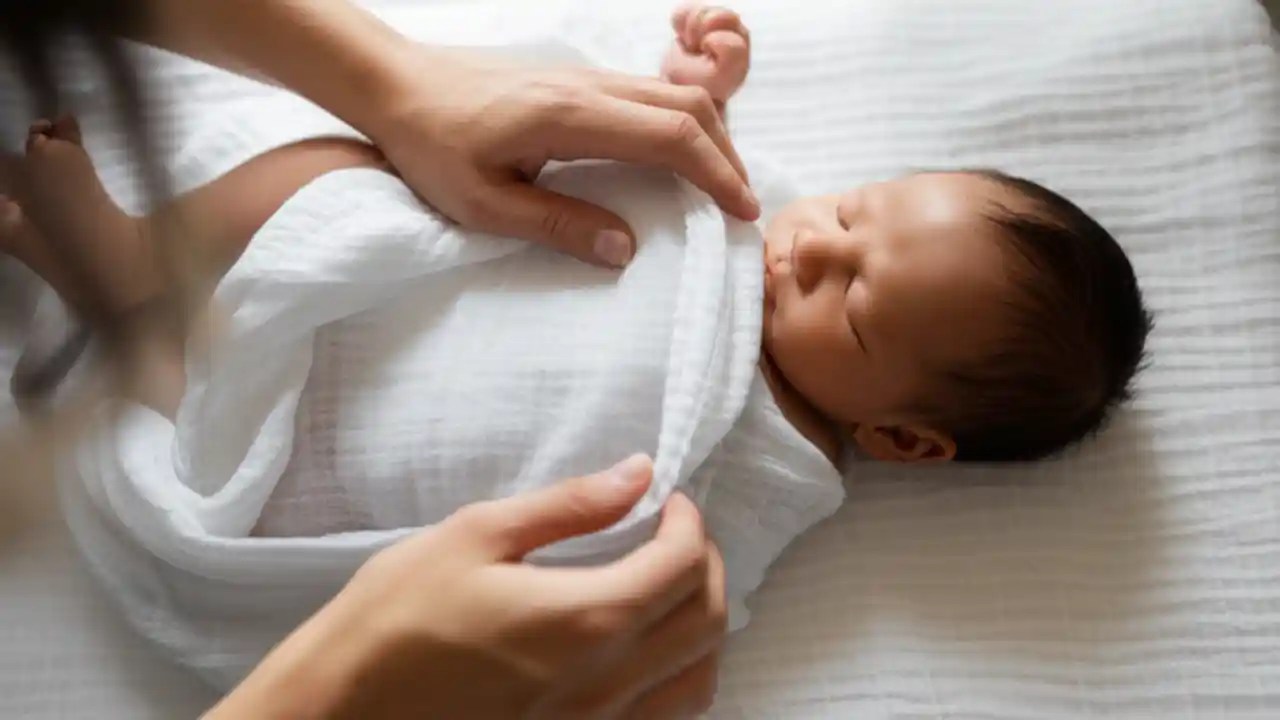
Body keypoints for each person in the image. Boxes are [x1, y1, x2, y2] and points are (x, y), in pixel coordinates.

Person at [0, 0, 766, 717]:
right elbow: (687, 191)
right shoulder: (754, 242)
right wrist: (694, 94)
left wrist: (392, 81)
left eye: (861, 305)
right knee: (343, 183)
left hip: (384, 474)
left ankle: (144, 325)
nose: (816, 254)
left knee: (246, 455)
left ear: (889, 433)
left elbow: (675, 587)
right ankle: (139, 255)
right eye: (843, 215)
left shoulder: (784, 472)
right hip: (415, 295)